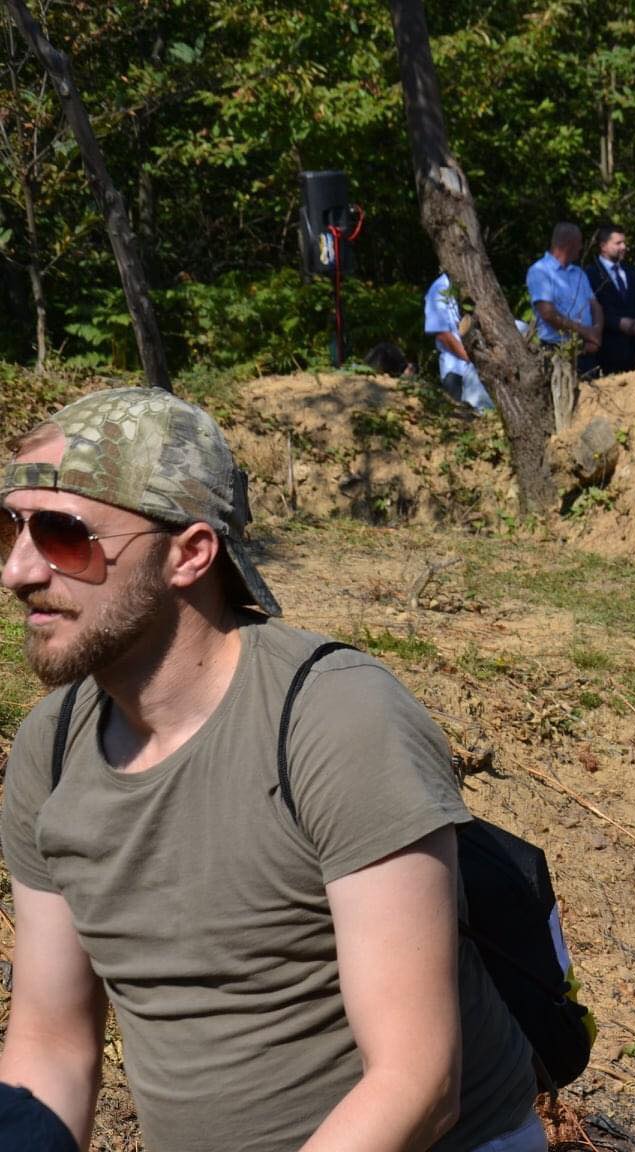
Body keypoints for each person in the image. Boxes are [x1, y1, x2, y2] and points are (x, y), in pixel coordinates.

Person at [0, 388, 542, 1152]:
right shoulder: (49, 752)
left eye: (62, 534)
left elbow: (417, 1081)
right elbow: (52, 1043)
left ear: (190, 552)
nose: (18, 571)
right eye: (9, 528)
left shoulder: (334, 721)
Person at [527, 222, 603, 431]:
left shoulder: (578, 274)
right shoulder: (540, 271)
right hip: (557, 351)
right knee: (563, 411)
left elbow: (595, 305)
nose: (581, 249)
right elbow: (548, 313)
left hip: (586, 352)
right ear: (569, 244)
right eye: (579, 244)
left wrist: (595, 333)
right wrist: (587, 332)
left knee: (589, 408)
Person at [585, 223, 635, 376]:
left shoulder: (632, 270)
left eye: (624, 242)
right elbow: (591, 309)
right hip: (608, 354)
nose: (624, 247)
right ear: (603, 246)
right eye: (618, 243)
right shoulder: (591, 274)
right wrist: (618, 323)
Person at [422, 272, 496, 411]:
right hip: (455, 369)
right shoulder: (439, 289)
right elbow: (443, 334)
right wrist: (471, 358)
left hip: (480, 369)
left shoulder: (478, 284)